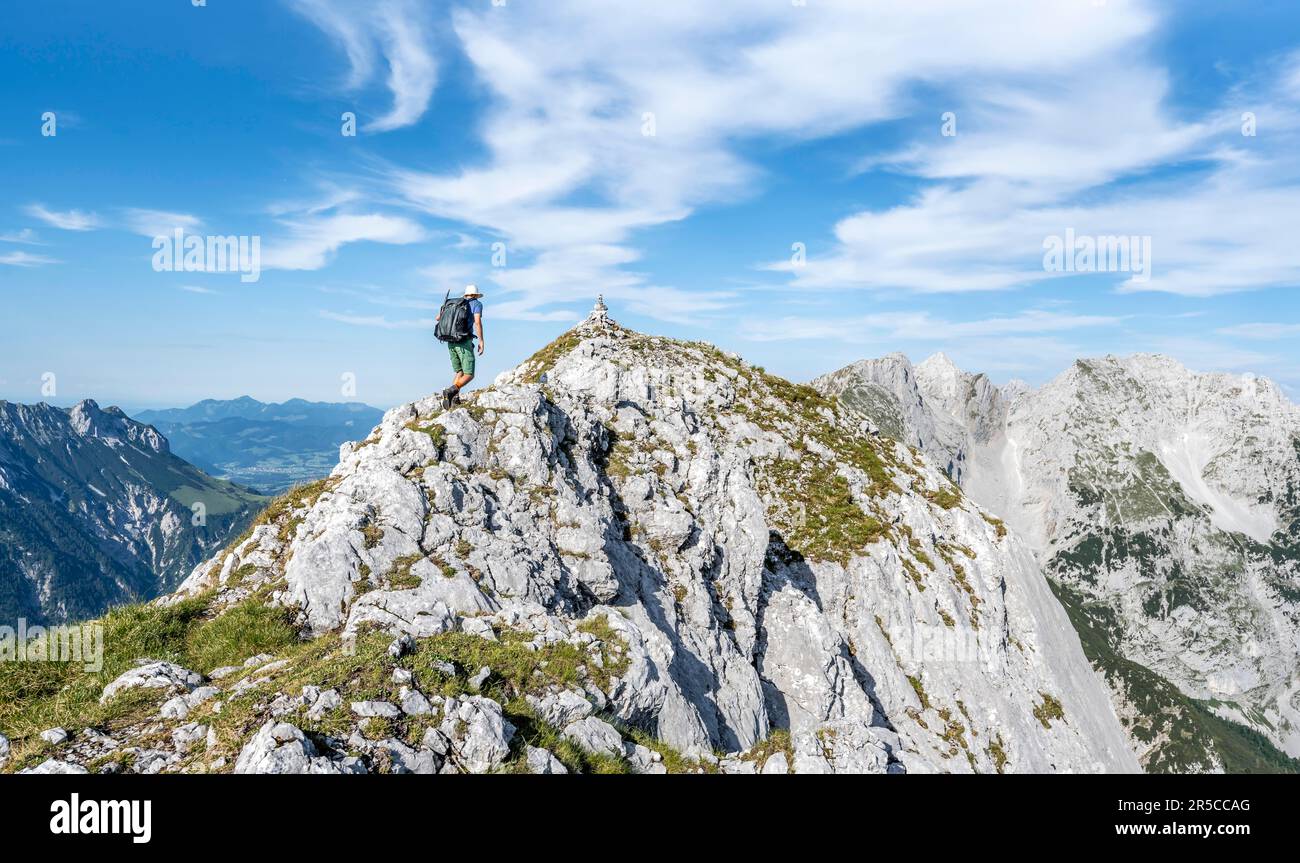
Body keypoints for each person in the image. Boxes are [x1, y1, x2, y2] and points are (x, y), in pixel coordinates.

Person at [438, 285, 485, 409]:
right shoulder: (476, 304)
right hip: (463, 341)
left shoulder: (454, 304)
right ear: (475, 295)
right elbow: (478, 322)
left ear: (466, 294)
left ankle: (453, 400)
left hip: (450, 340)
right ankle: (451, 391)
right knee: (469, 374)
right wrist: (481, 341)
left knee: (460, 371)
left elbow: (438, 318)